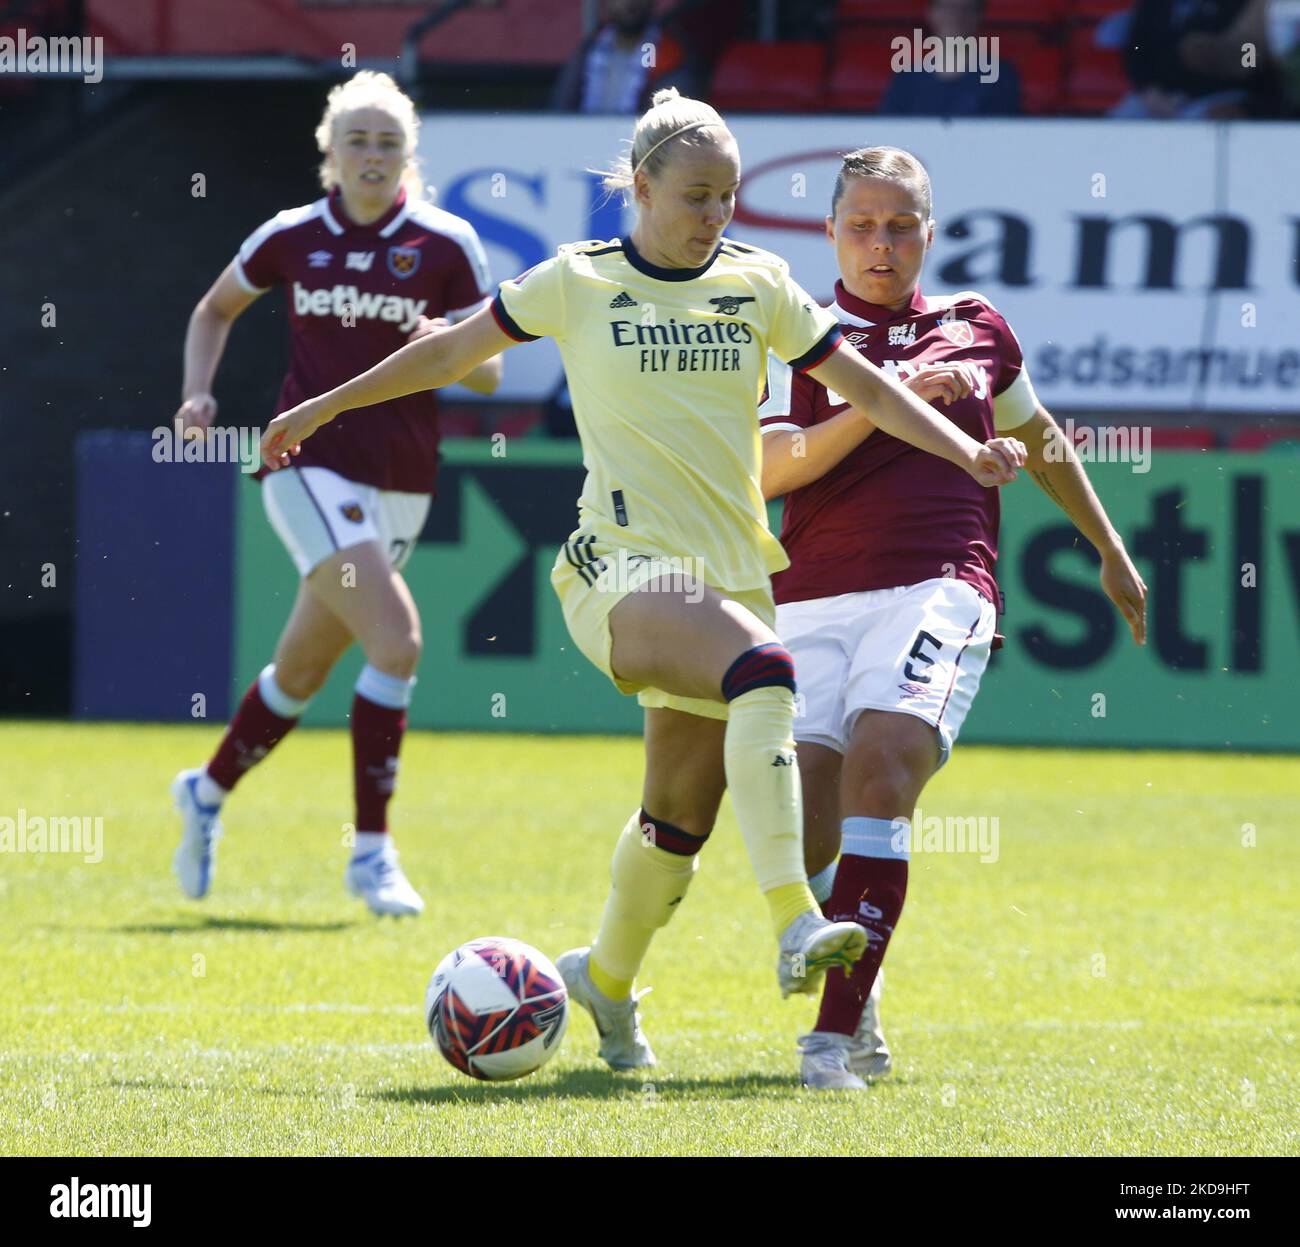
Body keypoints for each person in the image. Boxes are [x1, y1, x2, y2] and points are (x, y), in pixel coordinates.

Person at [258, 90, 1026, 1072]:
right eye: (697, 195)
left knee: (678, 816)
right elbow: (451, 347)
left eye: (728, 197)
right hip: (617, 565)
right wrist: (324, 404)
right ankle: (796, 915)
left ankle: (606, 981)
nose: (716, 215)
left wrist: (964, 452)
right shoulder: (576, 280)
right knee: (764, 671)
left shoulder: (759, 281)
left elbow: (868, 389)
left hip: (731, 574)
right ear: (641, 186)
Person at [758, 147, 1147, 1089]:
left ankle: (827, 1042)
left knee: (884, 768)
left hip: (940, 583)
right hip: (808, 595)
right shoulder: (793, 333)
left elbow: (1037, 434)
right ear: (831, 233)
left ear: (929, 234)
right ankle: (862, 969)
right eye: (862, 226)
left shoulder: (977, 328)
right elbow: (774, 468)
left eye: (900, 227)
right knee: (806, 828)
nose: (880, 245)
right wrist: (891, 404)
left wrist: (1107, 544)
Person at [171, 71, 500, 916]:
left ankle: (205, 793)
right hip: (304, 463)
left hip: (402, 480)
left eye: (388, 141)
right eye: (357, 138)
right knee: (397, 642)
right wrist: (198, 392)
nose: (373, 154)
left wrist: (453, 345)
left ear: (409, 155)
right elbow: (214, 309)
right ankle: (371, 853)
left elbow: (493, 371)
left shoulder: (445, 242)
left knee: (302, 671)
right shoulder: (291, 236)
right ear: (330, 150)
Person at [878, 0, 1021, 118]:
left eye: (966, 9)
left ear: (979, 16)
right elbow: (889, 132)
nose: (956, 17)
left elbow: (1005, 134)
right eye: (948, 8)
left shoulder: (1000, 76)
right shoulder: (906, 79)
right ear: (931, 13)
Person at [551, 0, 699, 113]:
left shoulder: (667, 52)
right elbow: (561, 107)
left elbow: (670, 119)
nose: (630, 2)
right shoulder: (590, 49)